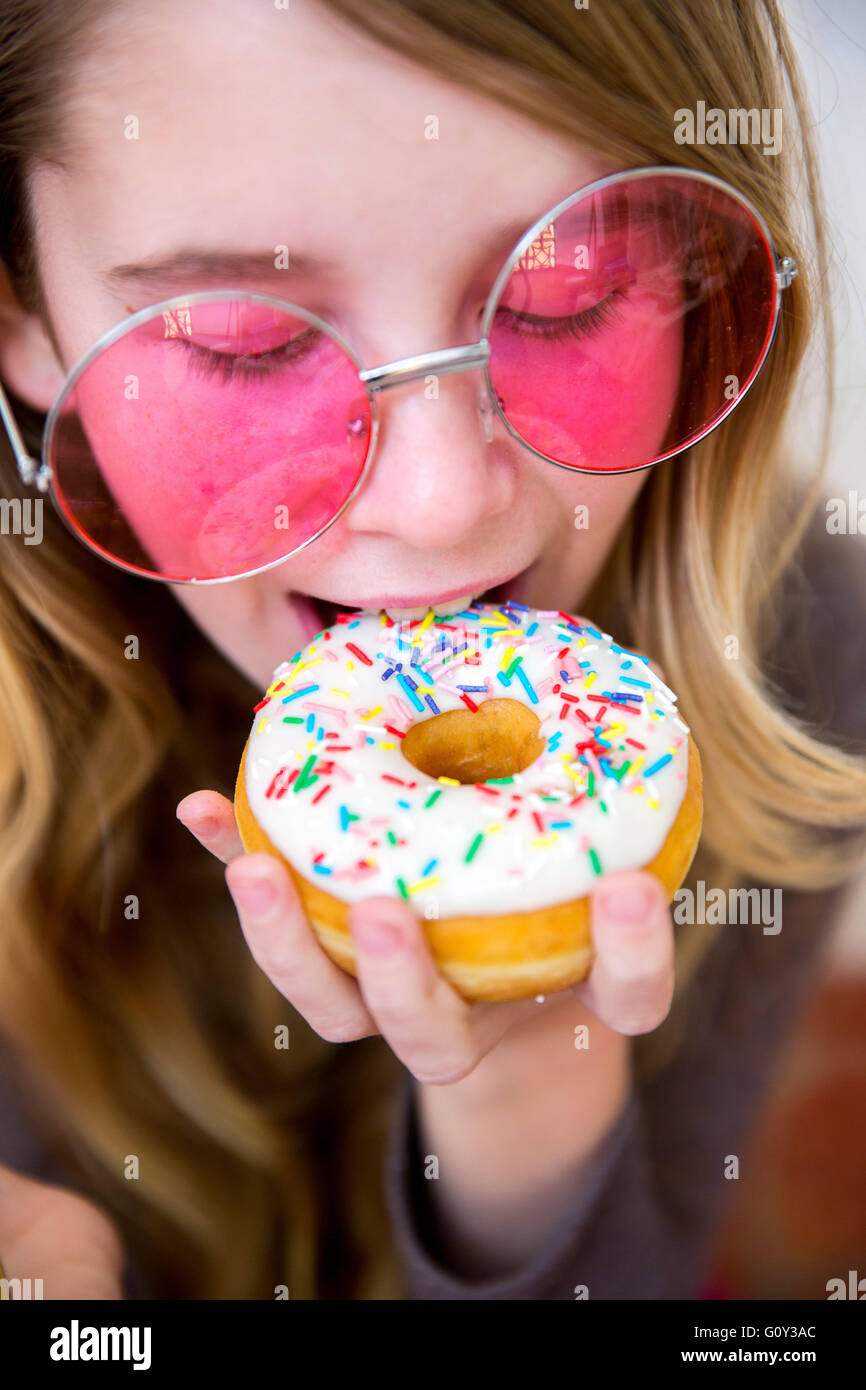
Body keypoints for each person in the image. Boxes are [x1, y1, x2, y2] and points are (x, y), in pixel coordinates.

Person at [0, 0, 864, 1301]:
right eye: (252, 340)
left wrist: (525, 1077)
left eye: (571, 297)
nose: (447, 498)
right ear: (18, 304)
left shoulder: (791, 660)